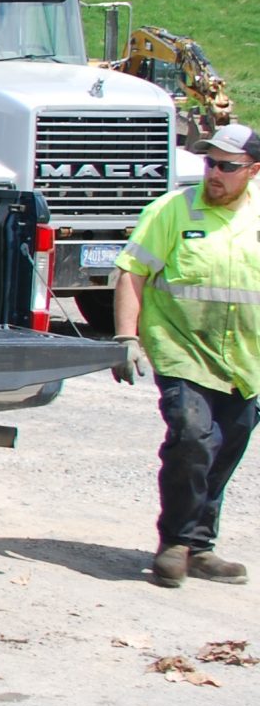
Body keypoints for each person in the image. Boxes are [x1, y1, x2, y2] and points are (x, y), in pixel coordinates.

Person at [113, 122, 260, 588]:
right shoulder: (173, 210)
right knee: (194, 439)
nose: (213, 172)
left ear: (253, 170)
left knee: (225, 449)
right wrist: (126, 339)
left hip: (246, 360)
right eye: (209, 162)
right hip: (182, 350)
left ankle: (199, 545)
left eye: (226, 166)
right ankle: (175, 543)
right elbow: (132, 272)